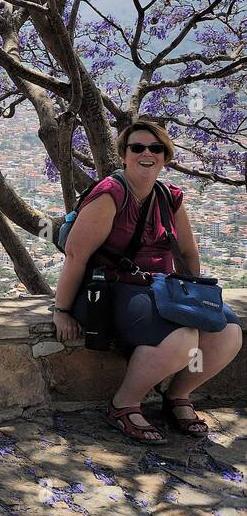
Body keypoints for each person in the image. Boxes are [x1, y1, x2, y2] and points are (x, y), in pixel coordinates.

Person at [51, 118, 242, 444]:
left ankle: (178, 395)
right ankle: (123, 404)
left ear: (164, 156)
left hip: (159, 288)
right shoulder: (110, 195)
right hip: (109, 290)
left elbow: (187, 251)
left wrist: (195, 297)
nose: (146, 153)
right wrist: (60, 310)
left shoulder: (169, 198)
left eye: (155, 148)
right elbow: (75, 257)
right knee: (181, 339)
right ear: (124, 155)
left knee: (227, 332)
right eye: (137, 147)